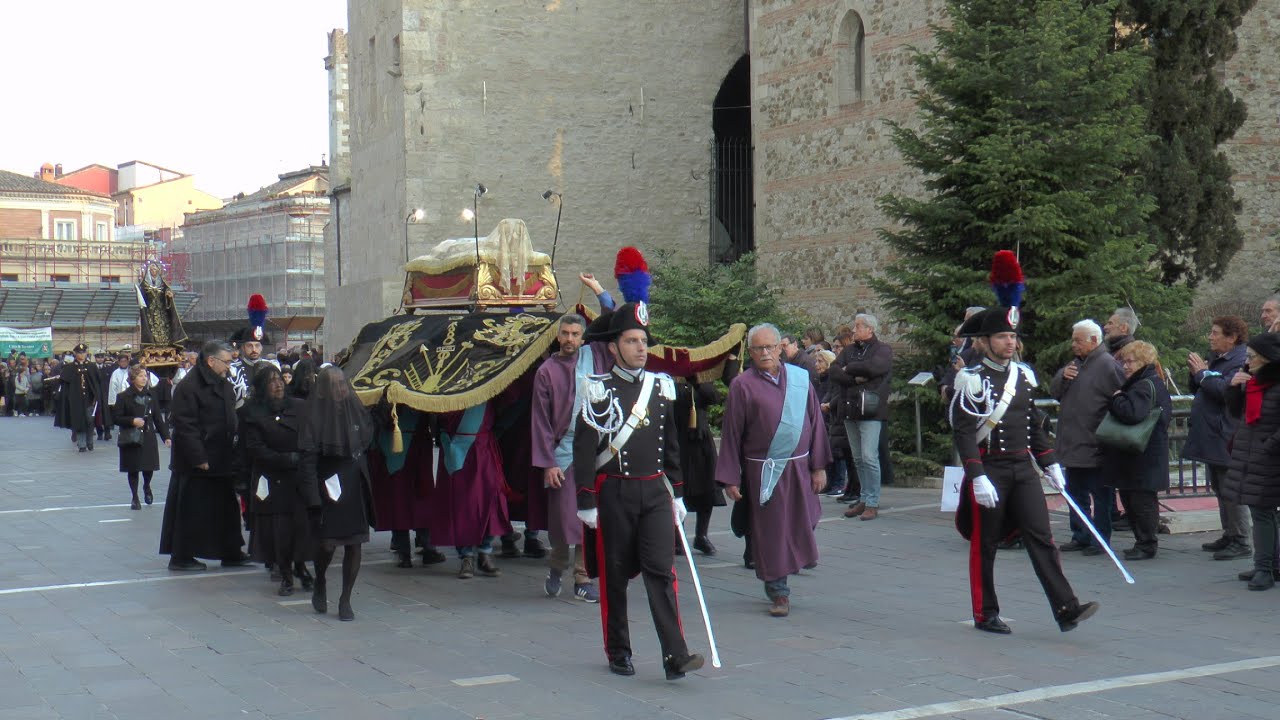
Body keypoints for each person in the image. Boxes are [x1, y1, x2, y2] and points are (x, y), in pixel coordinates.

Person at [950, 254, 1099, 635]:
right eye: (1003, 336)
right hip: (990, 470)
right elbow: (964, 432)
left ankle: (1066, 607)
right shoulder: (971, 378)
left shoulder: (1023, 375)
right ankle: (985, 612)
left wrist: (1050, 462)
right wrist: (976, 476)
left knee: (1042, 537)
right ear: (985, 341)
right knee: (985, 545)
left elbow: (1033, 424)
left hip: (1022, 468)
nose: (1010, 343)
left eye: (1013, 336)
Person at [572, 301, 704, 681]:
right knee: (615, 575)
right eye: (632, 341)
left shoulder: (661, 387)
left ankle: (675, 654)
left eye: (644, 341)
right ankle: (618, 650)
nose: (641, 348)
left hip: (656, 493)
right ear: (614, 347)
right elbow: (584, 450)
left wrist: (678, 493)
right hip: (615, 492)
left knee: (662, 572)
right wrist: (586, 500)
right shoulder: (597, 389)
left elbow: (671, 446)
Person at [716, 323, 831, 617]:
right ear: (751, 352)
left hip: (800, 468)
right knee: (772, 531)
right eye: (758, 348)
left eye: (770, 347)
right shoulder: (742, 385)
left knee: (804, 520)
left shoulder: (800, 379)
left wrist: (818, 466)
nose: (765, 353)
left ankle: (793, 559)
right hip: (765, 473)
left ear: (780, 348)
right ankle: (778, 590)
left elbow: (815, 422)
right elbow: (732, 434)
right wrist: (730, 477)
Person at [160, 340, 251, 571]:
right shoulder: (189, 387)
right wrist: (199, 457)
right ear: (211, 361)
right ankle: (181, 556)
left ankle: (230, 551)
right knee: (192, 510)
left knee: (226, 508)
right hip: (197, 461)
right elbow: (185, 425)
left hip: (222, 457)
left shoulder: (223, 384)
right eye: (226, 362)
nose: (229, 367)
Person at [530, 314, 601, 601]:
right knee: (562, 518)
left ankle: (583, 578)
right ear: (558, 336)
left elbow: (613, 325)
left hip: (593, 450)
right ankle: (557, 565)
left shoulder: (593, 359)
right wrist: (548, 462)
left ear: (583, 338)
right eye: (565, 333)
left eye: (575, 334)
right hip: (563, 451)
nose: (570, 339)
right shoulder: (546, 371)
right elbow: (540, 421)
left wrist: (602, 294)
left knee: (589, 515)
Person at [299, 367, 376, 621]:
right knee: (327, 544)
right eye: (335, 385)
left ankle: (345, 599)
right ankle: (320, 579)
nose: (341, 389)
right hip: (329, 486)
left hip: (354, 481)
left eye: (343, 383)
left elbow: (366, 436)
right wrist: (313, 498)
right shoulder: (314, 416)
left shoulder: (354, 408)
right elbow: (308, 461)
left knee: (355, 542)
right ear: (323, 389)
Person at [1050, 320, 1124, 555]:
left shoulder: (1108, 365)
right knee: (1075, 494)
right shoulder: (1074, 364)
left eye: (1078, 340)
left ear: (1094, 340)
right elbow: (1055, 392)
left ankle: (1099, 539)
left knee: (1100, 496)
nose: (1073, 345)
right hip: (1073, 443)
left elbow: (1122, 400)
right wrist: (1062, 377)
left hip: (1096, 443)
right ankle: (1080, 535)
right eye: (1073, 340)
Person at [241, 365, 314, 596]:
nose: (278, 384)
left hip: (298, 478)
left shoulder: (299, 407)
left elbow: (311, 436)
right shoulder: (252, 413)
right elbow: (254, 448)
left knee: (300, 527)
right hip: (271, 479)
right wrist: (284, 459)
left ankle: (301, 567)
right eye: (272, 381)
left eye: (280, 379)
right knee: (279, 531)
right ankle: (285, 574)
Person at [1184, 316, 1252, 560]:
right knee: (1219, 487)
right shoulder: (1218, 358)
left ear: (1231, 337)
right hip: (1213, 433)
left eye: (1215, 333)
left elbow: (1226, 390)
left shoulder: (1241, 361)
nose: (1210, 337)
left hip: (1227, 433)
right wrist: (1196, 375)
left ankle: (1241, 539)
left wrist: (1202, 374)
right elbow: (1202, 388)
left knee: (1231, 489)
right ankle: (1230, 533)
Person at [1101, 341, 1173, 560]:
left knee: (1140, 502)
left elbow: (1133, 413)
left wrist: (1116, 398)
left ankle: (1146, 544)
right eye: (1124, 361)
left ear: (1143, 362)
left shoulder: (1143, 385)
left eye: (1130, 361)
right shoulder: (1150, 382)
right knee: (1136, 500)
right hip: (1144, 454)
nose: (1125, 366)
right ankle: (1143, 542)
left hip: (1142, 455)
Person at [427, 401, 511, 579]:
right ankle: (466, 556)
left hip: (483, 446)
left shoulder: (490, 387)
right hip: (456, 447)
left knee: (490, 499)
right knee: (461, 504)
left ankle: (485, 552)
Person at [1222, 333, 1280, 590]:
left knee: (1262, 512)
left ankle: (1264, 569)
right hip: (1252, 455)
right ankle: (1271, 565)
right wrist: (1233, 388)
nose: (1247, 361)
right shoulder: (1254, 383)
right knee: (1264, 512)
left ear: (1267, 359)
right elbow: (1237, 412)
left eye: (1252, 357)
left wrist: (1268, 447)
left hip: (1268, 458)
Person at [828, 313, 893, 521]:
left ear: (869, 329)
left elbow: (875, 368)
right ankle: (864, 498)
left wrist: (849, 368)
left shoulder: (882, 349)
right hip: (849, 409)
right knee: (857, 457)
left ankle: (872, 501)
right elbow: (834, 371)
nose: (854, 330)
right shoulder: (849, 350)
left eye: (858, 326)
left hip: (870, 411)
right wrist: (855, 378)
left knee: (869, 457)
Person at [673, 376, 726, 555]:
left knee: (707, 488)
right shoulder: (669, 379)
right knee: (678, 488)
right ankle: (677, 536)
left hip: (700, 440)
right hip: (678, 439)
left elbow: (714, 397)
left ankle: (701, 535)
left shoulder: (700, 378)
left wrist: (697, 381)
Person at [113, 364, 171, 510]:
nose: (144, 378)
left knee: (148, 466)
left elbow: (158, 418)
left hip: (147, 436)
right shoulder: (123, 396)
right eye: (140, 376)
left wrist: (166, 436)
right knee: (133, 468)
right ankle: (134, 497)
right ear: (133, 378)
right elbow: (116, 417)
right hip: (131, 437)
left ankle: (147, 486)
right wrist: (132, 421)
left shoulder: (151, 396)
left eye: (145, 376)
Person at [60, 343, 105, 452]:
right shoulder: (70, 367)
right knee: (79, 421)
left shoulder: (91, 366)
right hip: (76, 400)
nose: (81, 355)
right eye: (79, 353)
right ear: (75, 354)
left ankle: (90, 442)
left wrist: (96, 396)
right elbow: (65, 382)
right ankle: (82, 444)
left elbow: (98, 381)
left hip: (90, 399)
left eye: (83, 352)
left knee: (90, 420)